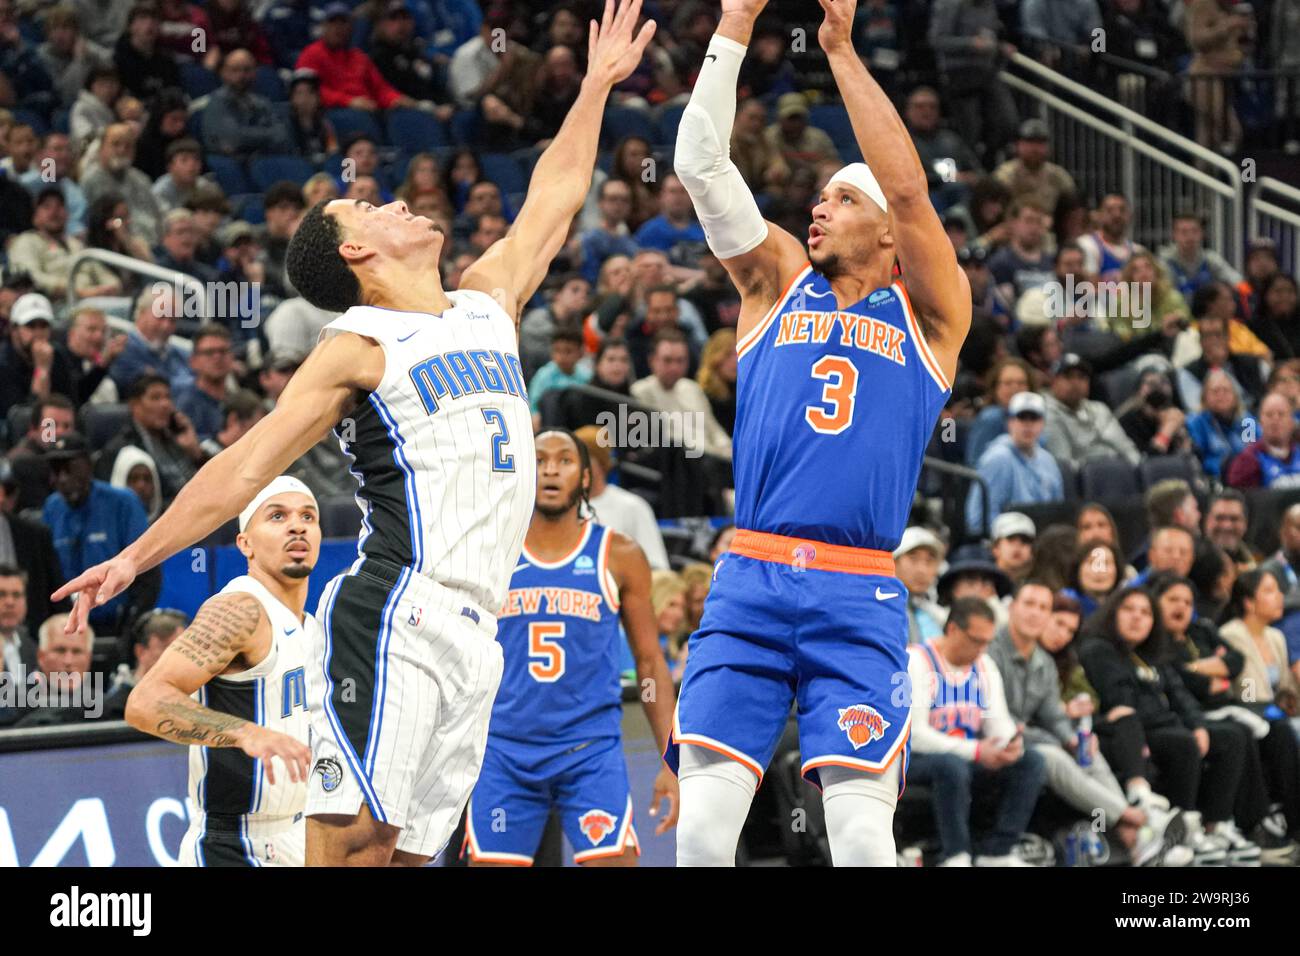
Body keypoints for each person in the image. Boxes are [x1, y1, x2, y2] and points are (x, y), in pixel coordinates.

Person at [54, 0, 656, 869]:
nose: (396, 202)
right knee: (354, 844)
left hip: (482, 631)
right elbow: (245, 465)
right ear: (359, 260)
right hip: (397, 608)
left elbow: (555, 198)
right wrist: (134, 560)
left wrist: (596, 85)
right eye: (369, 208)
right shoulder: (359, 346)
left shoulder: (486, 300)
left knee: (412, 855)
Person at [666, 0, 973, 868]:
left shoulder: (934, 314)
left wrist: (838, 47)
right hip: (751, 576)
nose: (818, 207)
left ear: (886, 230)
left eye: (842, 197)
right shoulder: (771, 282)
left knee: (866, 842)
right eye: (819, 195)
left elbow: (909, 187)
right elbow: (698, 161)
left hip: (858, 591)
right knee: (697, 835)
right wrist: (733, 22)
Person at [464, 430, 678, 865]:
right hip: (503, 753)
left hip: (589, 753)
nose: (550, 469)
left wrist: (669, 758)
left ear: (585, 477)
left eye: (564, 461)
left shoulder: (619, 553)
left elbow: (650, 661)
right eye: (539, 460)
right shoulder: (490, 551)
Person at [125, 477, 320, 865]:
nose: (297, 526)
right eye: (277, 516)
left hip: (298, 835)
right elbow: (145, 703)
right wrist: (243, 732)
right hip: (231, 846)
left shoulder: (312, 625)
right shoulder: (239, 609)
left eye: (308, 516)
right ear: (245, 543)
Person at [989, 580, 1177, 865]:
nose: (1035, 613)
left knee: (1086, 746)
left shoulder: (1043, 662)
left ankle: (1137, 842)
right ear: (1012, 607)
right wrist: (1058, 740)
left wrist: (1072, 738)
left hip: (1030, 736)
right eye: (1029, 604)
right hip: (996, 739)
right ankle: (1134, 819)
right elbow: (999, 720)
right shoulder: (991, 652)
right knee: (1052, 755)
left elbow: (1053, 714)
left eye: (1043, 607)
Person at [1080, 586, 1260, 864]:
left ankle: (1217, 824)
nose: (1137, 618)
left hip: (1164, 724)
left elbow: (1180, 695)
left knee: (1231, 736)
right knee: (1181, 741)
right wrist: (1183, 726)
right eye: (1129, 610)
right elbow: (1121, 701)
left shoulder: (1152, 654)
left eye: (1145, 613)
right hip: (1129, 731)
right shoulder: (1099, 649)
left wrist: (1197, 724)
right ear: (1111, 614)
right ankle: (1181, 829)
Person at [906, 597, 1047, 866]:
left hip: (967, 757)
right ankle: (956, 855)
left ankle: (997, 851)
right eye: (976, 640)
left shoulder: (984, 665)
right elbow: (916, 735)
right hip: (917, 760)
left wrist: (1008, 743)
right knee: (951, 766)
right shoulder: (917, 661)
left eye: (987, 642)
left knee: (1032, 761)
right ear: (952, 630)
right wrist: (978, 750)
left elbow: (998, 722)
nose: (982, 649)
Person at [43, 433, 157, 638]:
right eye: (56, 470)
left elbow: (147, 567)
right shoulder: (52, 508)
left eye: (69, 469)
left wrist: (132, 626)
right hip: (67, 623)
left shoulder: (123, 503)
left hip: (116, 624)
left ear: (88, 465)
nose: (62, 478)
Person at [96, 372, 206, 507]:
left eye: (168, 397)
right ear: (134, 405)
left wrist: (196, 453)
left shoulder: (175, 439)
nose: (165, 404)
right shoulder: (121, 450)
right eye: (155, 398)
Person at [573, 425, 670, 571]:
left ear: (601, 463)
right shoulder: (561, 508)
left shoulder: (632, 506)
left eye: (584, 458)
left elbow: (656, 566)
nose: (577, 466)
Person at [966, 390, 1063, 532]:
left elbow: (1058, 512)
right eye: (1022, 417)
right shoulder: (998, 459)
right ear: (1010, 422)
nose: (1028, 424)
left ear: (1042, 423)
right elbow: (978, 519)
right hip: (1007, 542)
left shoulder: (1048, 461)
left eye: (1034, 418)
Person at [1042, 352, 1142, 468]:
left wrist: (1137, 470)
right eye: (1068, 377)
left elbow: (1127, 449)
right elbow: (1065, 466)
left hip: (1119, 472)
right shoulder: (1046, 412)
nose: (1076, 383)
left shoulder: (1099, 409)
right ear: (1053, 381)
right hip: (1087, 479)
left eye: (1082, 377)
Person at [0, 292, 75, 417]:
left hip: (54, 429)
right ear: (14, 329)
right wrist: (41, 370)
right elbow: (22, 419)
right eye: (31, 326)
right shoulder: (3, 362)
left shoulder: (57, 355)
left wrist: (101, 367)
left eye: (43, 325)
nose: (38, 333)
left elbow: (72, 402)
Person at [1187, 369, 1258, 478]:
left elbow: (1253, 451)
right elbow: (1199, 460)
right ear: (1204, 397)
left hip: (1246, 478)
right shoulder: (1196, 423)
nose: (1221, 395)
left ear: (1235, 396)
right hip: (1215, 479)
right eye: (1215, 391)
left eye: (1225, 390)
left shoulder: (1247, 421)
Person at [1227, 391, 1300, 489]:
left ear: (1292, 421)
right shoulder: (1247, 460)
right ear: (1260, 421)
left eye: (1281, 414)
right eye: (1269, 415)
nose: (1275, 419)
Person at [894, 525, 947, 644]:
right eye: (913, 559)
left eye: (929, 561)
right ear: (894, 562)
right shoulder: (883, 607)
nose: (922, 570)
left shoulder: (938, 614)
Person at [991, 511, 1036, 584]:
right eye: (1011, 539)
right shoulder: (984, 582)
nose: (1018, 545)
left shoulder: (1040, 586)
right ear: (995, 548)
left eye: (1025, 540)